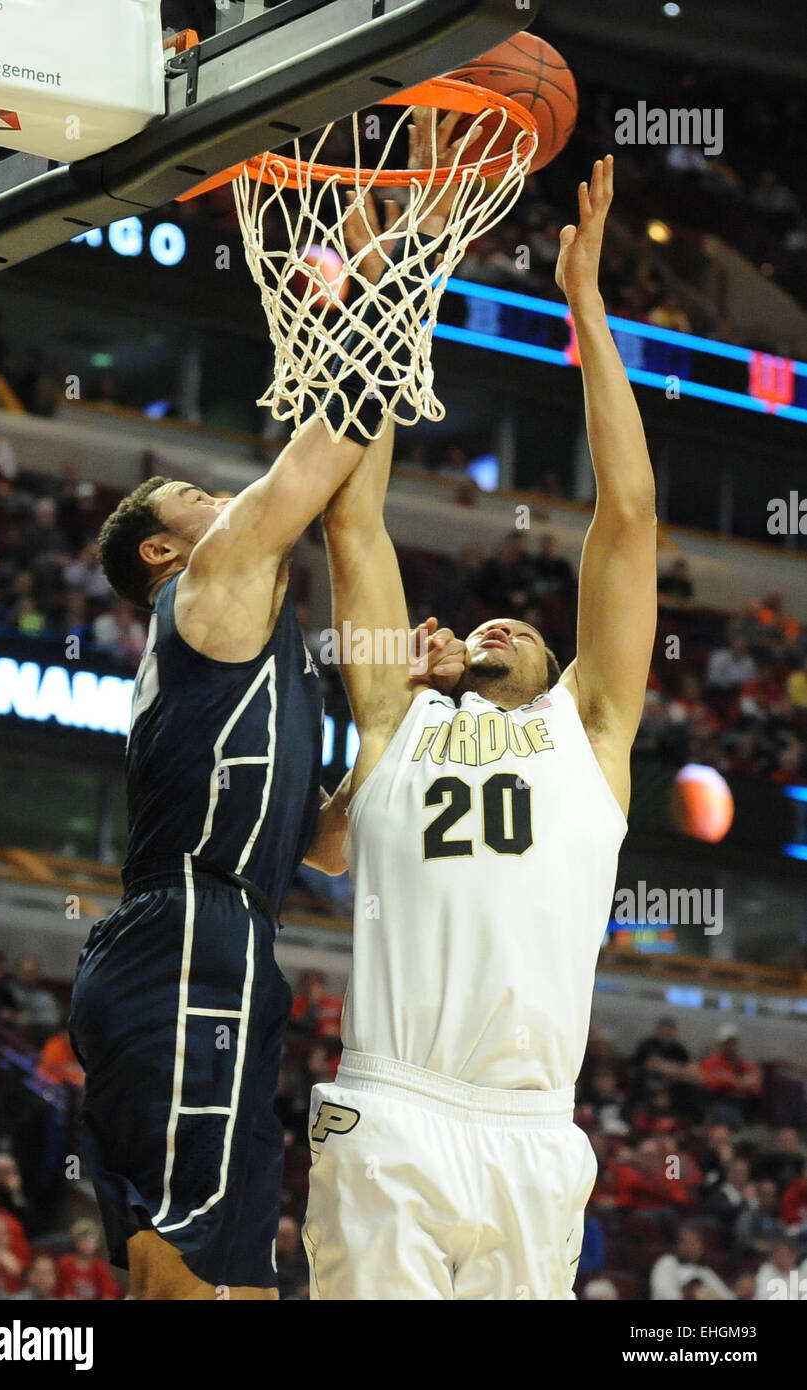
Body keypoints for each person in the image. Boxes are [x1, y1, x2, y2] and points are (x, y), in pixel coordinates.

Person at [68, 110, 463, 1303]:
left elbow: (329, 847)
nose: (218, 496)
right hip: (188, 939)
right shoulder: (209, 584)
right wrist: (389, 270)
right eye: (192, 492)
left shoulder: (260, 648)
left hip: (218, 942)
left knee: (220, 1272)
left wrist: (395, 742)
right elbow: (323, 456)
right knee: (190, 1272)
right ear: (155, 552)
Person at [304, 157, 659, 1300]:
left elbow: (630, 518)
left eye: (532, 626)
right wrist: (386, 308)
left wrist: (588, 312)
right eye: (494, 620)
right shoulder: (395, 716)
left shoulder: (590, 730)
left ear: (560, 666)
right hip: (395, 1099)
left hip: (531, 1126)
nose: (507, 620)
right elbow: (353, 524)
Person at [649, 1226, 734, 1301]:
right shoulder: (667, 1263)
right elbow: (666, 1294)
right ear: (679, 1245)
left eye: (694, 1243)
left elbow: (728, 1297)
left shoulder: (705, 1271)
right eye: (687, 1242)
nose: (690, 1247)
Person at [56, 1220, 119, 1300]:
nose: (87, 1244)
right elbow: (65, 1294)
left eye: (91, 1240)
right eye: (83, 1240)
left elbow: (109, 1296)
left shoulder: (101, 1267)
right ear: (75, 1242)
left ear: (97, 1244)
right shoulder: (66, 1262)